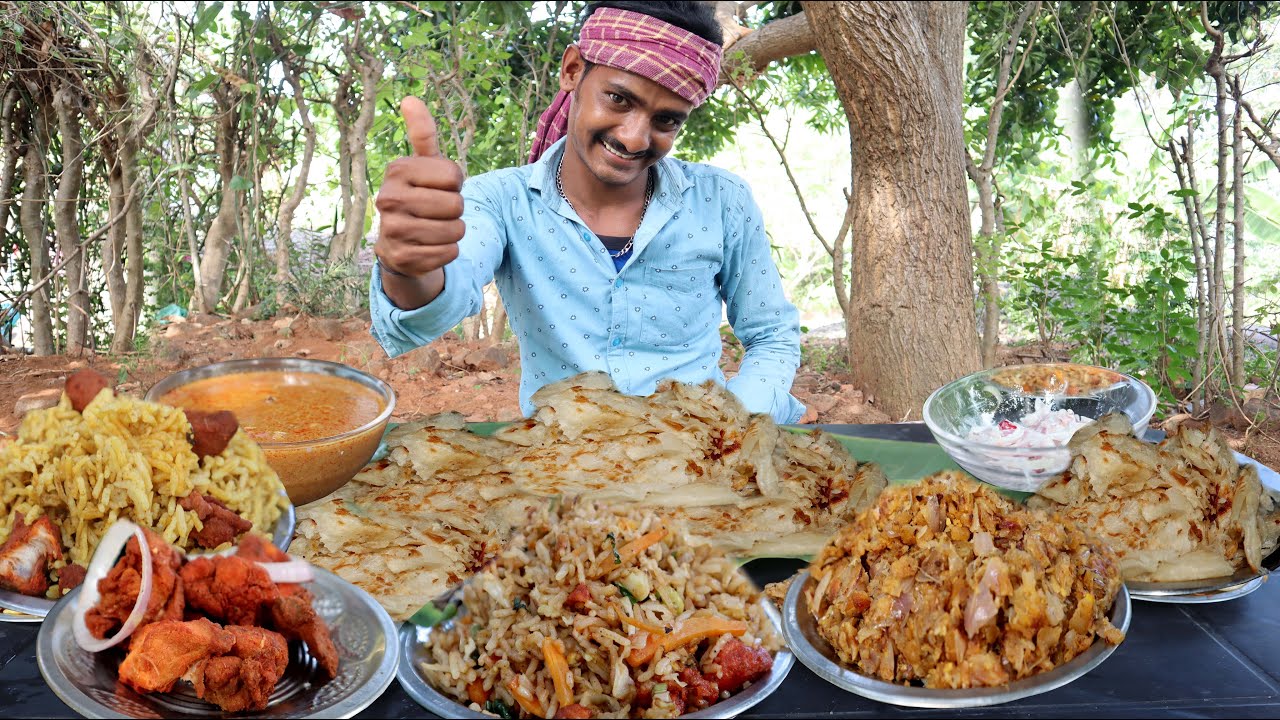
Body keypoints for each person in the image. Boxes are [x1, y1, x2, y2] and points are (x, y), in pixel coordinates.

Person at [370, 0, 811, 424]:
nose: (635, 138)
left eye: (666, 120)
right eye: (619, 99)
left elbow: (771, 333)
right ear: (572, 70)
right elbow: (439, 298)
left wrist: (734, 426)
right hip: (560, 459)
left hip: (703, 456)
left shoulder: (721, 200)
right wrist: (405, 266)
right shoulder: (501, 201)